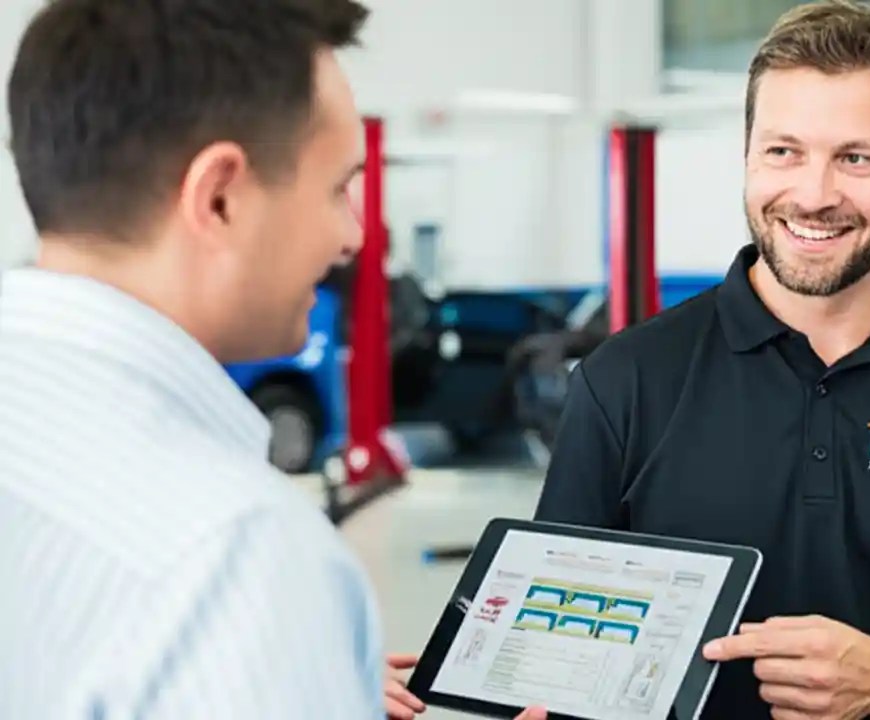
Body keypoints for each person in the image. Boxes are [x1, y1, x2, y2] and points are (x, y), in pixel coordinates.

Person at [533, 1, 870, 718]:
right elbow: (550, 653)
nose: (815, 195)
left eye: (857, 158)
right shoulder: (624, 380)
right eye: (784, 151)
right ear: (747, 152)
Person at [0, 2, 544, 719]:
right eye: (335, 190)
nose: (352, 238)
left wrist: (300, 675)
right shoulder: (236, 555)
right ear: (220, 198)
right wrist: (274, 642)